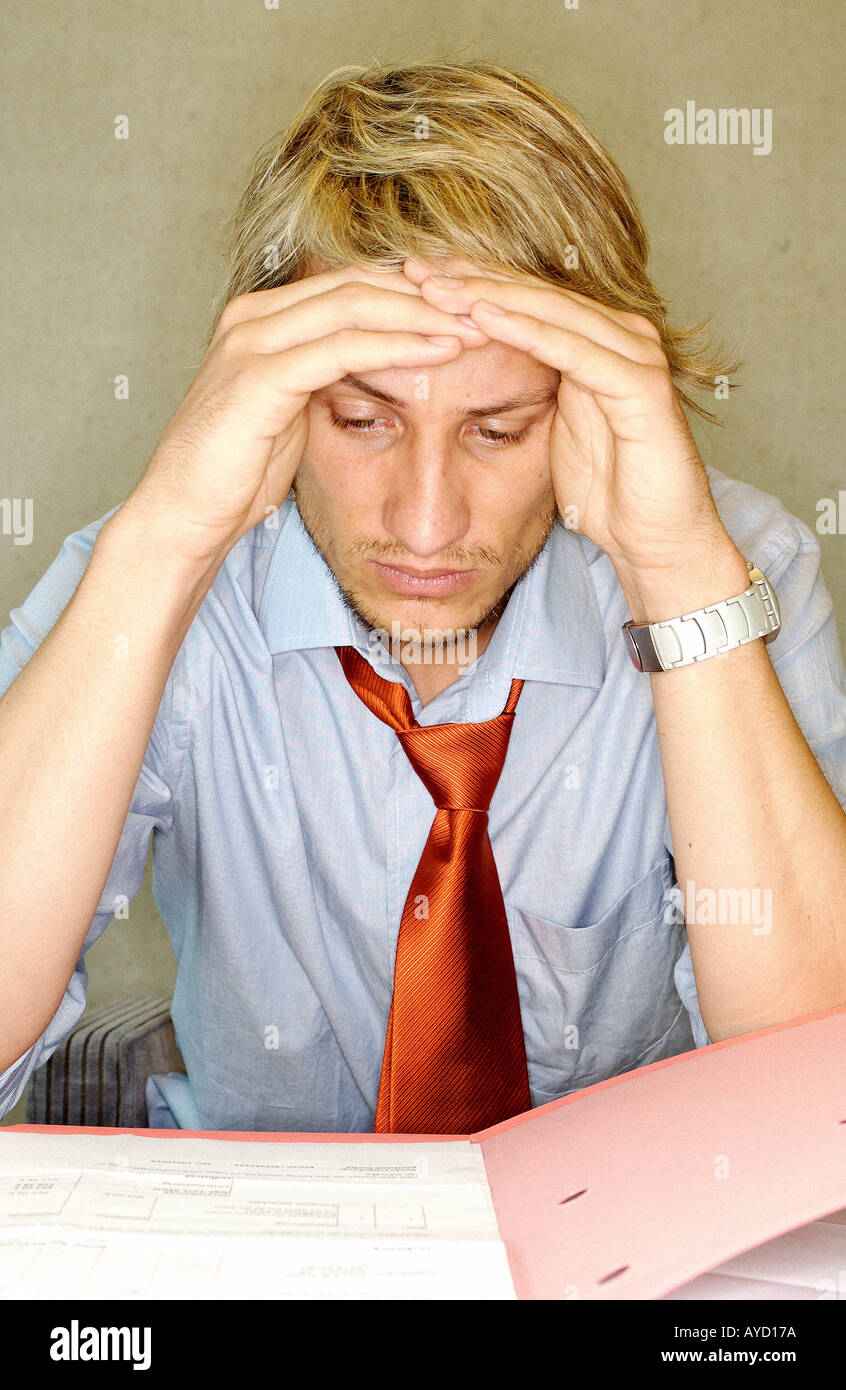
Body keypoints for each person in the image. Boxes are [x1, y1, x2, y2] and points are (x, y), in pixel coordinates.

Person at [1, 58, 845, 1134]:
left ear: (584, 408)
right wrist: (162, 542)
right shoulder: (150, 572)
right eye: (362, 420)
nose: (428, 522)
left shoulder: (736, 566)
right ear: (274, 394)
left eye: (498, 429)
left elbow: (823, 1100)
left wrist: (679, 575)